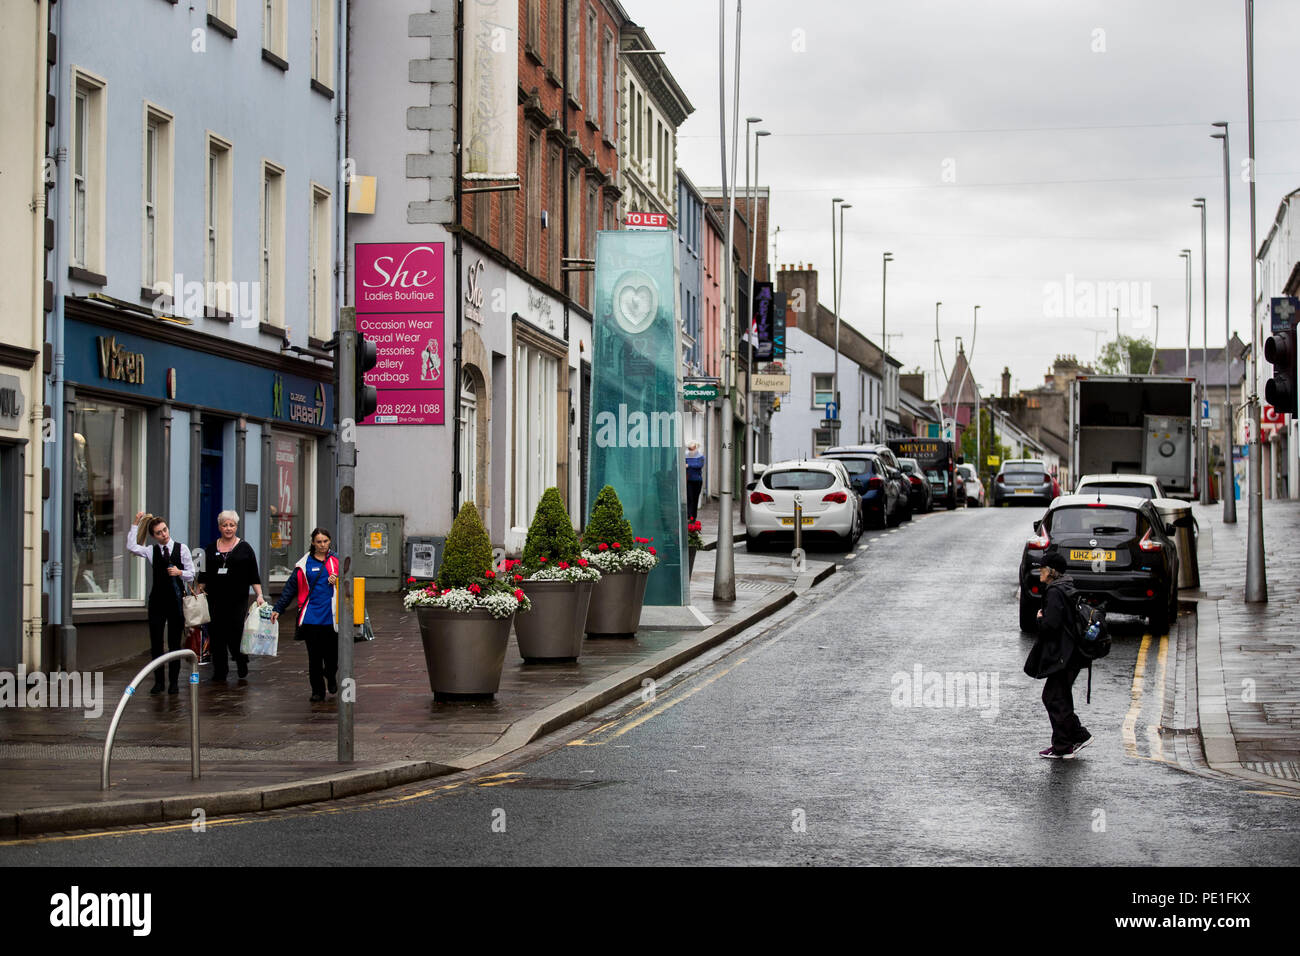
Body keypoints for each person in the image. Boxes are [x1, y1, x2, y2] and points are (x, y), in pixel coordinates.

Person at [1024, 547, 1093, 759]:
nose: (1040, 572)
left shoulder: (1055, 592)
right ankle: (1075, 737)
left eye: (1043, 569)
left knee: (1054, 698)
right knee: (1058, 697)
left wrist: (1039, 618)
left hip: (1065, 656)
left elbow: (1051, 626)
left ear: (1052, 571)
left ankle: (1064, 746)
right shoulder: (1065, 587)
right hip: (1070, 654)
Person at [126, 511, 195, 694]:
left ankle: (173, 682)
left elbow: (192, 573)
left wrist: (180, 573)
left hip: (175, 602)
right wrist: (135, 523)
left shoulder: (182, 549)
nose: (164, 534)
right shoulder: (151, 551)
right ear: (153, 536)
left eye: (165, 530)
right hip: (157, 602)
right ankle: (158, 682)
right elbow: (132, 546)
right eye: (159, 532)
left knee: (174, 642)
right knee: (156, 643)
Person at [271, 528, 340, 703]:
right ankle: (317, 691)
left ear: (330, 541)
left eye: (325, 541)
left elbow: (350, 583)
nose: (322, 545)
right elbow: (290, 588)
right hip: (311, 617)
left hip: (332, 617)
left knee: (332, 657)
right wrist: (279, 608)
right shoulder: (304, 564)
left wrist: (338, 579)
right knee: (314, 657)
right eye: (319, 542)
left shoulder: (336, 561)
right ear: (313, 543)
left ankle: (330, 676)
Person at [196, 510, 265, 683]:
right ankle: (220, 670)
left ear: (236, 527)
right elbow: (203, 576)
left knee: (235, 634)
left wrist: (260, 595)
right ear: (219, 527)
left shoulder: (245, 548)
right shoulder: (210, 549)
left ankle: (241, 660)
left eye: (232, 525)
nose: (228, 528)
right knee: (217, 634)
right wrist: (197, 594)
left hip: (237, 600)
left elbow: (253, 575)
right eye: (225, 525)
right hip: (215, 600)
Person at [685, 441, 705, 520]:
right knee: (689, 497)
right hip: (688, 480)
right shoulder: (686, 456)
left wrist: (689, 465)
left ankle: (694, 516)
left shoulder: (701, 457)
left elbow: (699, 465)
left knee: (695, 498)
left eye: (692, 448)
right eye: (689, 448)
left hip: (697, 481)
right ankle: (688, 514)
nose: (690, 450)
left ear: (696, 448)